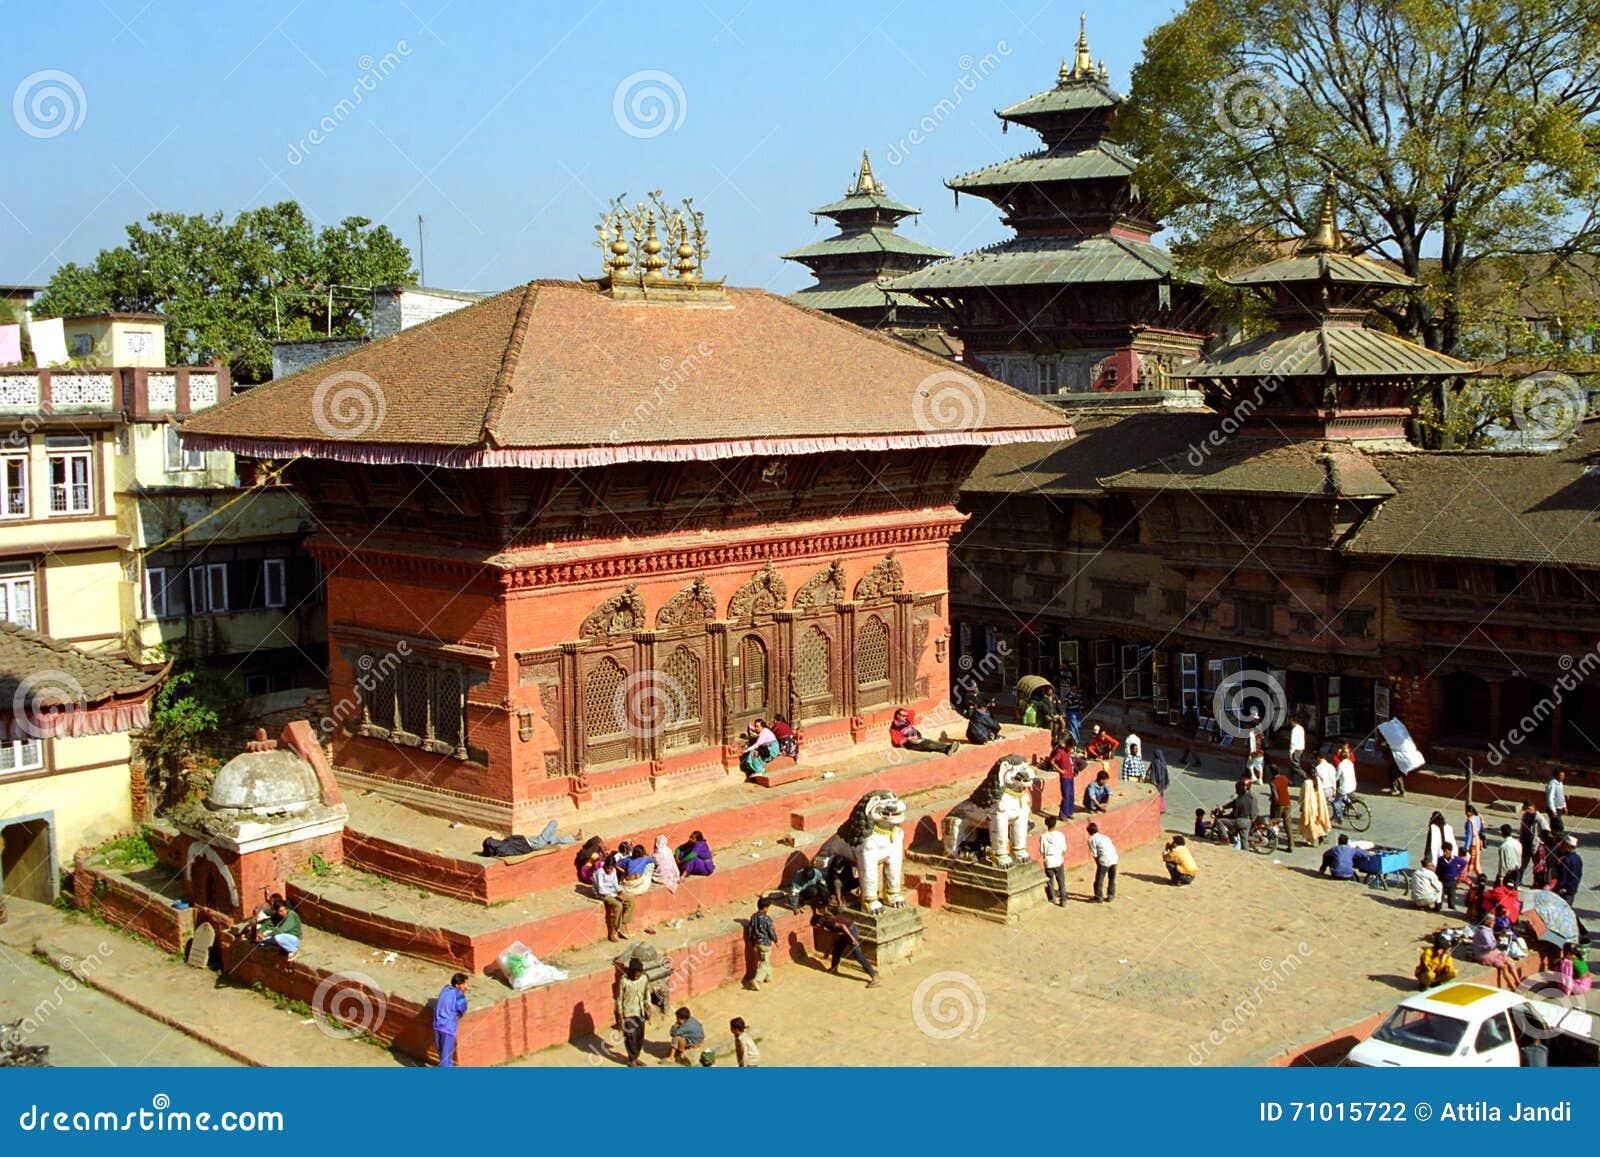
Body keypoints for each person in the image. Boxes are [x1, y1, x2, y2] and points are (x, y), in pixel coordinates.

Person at [812, 904, 880, 987]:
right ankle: (833, 968)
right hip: (845, 933)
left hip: (851, 931)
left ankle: (874, 975)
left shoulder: (828, 922)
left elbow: (842, 926)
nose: (816, 927)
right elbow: (833, 937)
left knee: (857, 955)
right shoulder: (827, 921)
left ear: (818, 923)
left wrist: (852, 938)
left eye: (816, 926)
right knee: (837, 948)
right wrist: (828, 952)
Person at [615, 959, 652, 1067]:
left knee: (640, 1037)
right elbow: (620, 998)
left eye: (638, 974)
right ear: (631, 972)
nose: (637, 976)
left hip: (640, 1011)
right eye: (635, 974)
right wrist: (620, 1015)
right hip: (628, 1012)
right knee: (630, 1037)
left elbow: (646, 993)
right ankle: (631, 1060)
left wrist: (648, 1006)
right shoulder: (624, 980)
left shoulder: (644, 979)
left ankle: (636, 1057)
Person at [1470, 914, 1521, 991]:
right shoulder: (1483, 931)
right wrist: (1499, 938)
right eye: (1492, 921)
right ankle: (1513, 987)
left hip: (1491, 951)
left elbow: (1492, 939)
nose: (1494, 922)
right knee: (1504, 967)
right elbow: (1491, 945)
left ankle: (1518, 982)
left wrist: (1500, 934)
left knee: (1510, 961)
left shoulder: (1487, 929)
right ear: (1487, 922)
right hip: (1484, 954)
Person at [594, 852, 633, 942]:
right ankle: (613, 930)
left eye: (611, 868)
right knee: (618, 906)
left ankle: (622, 924)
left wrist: (620, 892)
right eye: (608, 868)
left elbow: (615, 884)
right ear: (605, 866)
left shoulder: (613, 871)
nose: (610, 870)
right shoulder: (600, 873)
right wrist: (615, 896)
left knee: (630, 900)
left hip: (612, 892)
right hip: (603, 895)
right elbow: (601, 890)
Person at [433, 972, 469, 1067]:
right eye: (464, 984)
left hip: (437, 1025)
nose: (466, 987)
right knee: (446, 1058)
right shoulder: (459, 995)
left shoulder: (445, 990)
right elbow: (462, 1008)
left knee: (442, 1054)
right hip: (447, 1028)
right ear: (457, 985)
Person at [889, 707, 957, 755]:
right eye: (903, 716)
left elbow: (912, 712)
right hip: (909, 743)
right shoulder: (894, 728)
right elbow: (897, 741)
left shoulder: (906, 720)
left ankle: (946, 750)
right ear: (897, 715)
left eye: (906, 716)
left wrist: (904, 713)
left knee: (927, 745)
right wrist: (908, 738)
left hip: (916, 737)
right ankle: (947, 747)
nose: (906, 717)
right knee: (927, 743)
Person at [744, 896, 777, 990]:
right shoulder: (767, 918)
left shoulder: (753, 917)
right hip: (765, 943)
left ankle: (768, 977)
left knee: (765, 961)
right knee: (764, 963)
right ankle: (757, 980)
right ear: (765, 908)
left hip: (757, 943)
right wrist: (775, 940)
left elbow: (750, 931)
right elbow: (771, 931)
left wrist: (751, 941)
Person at [1048, 739, 1083, 820]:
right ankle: (1063, 814)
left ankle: (1069, 812)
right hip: (1065, 777)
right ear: (1067, 745)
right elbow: (1052, 761)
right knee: (1066, 795)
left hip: (1071, 776)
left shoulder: (1069, 752)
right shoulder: (1060, 752)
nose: (1071, 749)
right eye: (1071, 747)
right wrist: (1060, 770)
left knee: (1071, 795)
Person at [1219, 781, 1256, 850]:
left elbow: (1234, 813)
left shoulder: (1239, 800)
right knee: (1244, 840)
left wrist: (1224, 810)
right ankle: (1246, 853)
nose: (1236, 791)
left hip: (1240, 821)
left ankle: (1225, 839)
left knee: (1220, 821)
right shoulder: (1249, 797)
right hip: (1247, 822)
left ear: (1239, 790)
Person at [1040, 815, 1068, 905]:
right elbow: (1064, 848)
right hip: (1058, 859)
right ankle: (1063, 900)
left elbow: (1042, 850)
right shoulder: (1060, 835)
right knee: (1061, 881)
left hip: (1048, 860)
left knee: (1050, 882)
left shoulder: (1043, 836)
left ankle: (1052, 898)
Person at [1086, 822, 1118, 902]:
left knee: (1099, 880)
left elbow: (1094, 854)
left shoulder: (1091, 840)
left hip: (1104, 860)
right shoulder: (1105, 837)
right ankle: (1111, 895)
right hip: (1114, 859)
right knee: (1112, 878)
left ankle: (1098, 897)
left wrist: (1098, 863)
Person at [1298, 771, 1331, 846]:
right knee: (1318, 821)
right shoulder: (1318, 780)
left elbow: (1303, 794)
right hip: (1319, 803)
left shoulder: (1307, 783)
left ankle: (1311, 841)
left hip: (1310, 804)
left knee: (1311, 823)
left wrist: (1301, 804)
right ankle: (1321, 834)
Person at [1554, 835, 1584, 905]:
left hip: (1564, 891)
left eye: (1563, 845)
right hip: (1572, 890)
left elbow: (1563, 876)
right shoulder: (1578, 858)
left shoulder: (1566, 860)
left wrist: (1559, 888)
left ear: (1567, 846)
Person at [1268, 770, 1295, 850]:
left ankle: (1272, 841)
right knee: (1288, 825)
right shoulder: (1284, 778)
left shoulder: (1273, 782)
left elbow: (1275, 796)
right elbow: (1290, 783)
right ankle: (1291, 845)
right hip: (1287, 803)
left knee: (1274, 823)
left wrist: (1274, 804)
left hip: (1279, 805)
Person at [1435, 844, 1467, 910]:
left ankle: (1451, 906)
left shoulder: (1456, 859)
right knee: (1440, 894)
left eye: (1446, 851)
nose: (1444, 853)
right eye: (1443, 851)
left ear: (1450, 851)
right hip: (1442, 880)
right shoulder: (1440, 859)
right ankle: (1438, 907)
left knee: (1452, 894)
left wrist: (1458, 871)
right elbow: (1437, 870)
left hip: (1451, 880)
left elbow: (1464, 863)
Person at [1519, 801, 1550, 868]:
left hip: (1535, 846)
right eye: (1526, 809)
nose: (1527, 810)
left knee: (1537, 866)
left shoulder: (1539, 818)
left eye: (1529, 809)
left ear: (1533, 807)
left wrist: (1541, 841)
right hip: (1525, 844)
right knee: (1521, 866)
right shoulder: (1525, 816)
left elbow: (1546, 830)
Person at [1333, 745, 1357, 822]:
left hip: (1344, 787)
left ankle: (1340, 818)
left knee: (1336, 802)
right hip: (1352, 785)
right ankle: (1350, 804)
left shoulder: (1341, 765)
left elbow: (1336, 777)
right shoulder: (1350, 763)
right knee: (1345, 796)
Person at [1497, 823, 1524, 887]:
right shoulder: (1518, 843)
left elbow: (1503, 864)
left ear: (1502, 833)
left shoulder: (1503, 846)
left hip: (1508, 874)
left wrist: (1501, 878)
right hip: (1516, 872)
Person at [1462, 804, 1485, 876]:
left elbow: (1469, 835)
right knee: (1476, 861)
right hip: (1478, 840)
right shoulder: (1478, 816)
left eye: (1466, 811)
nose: (1465, 813)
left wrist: (1466, 847)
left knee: (1470, 861)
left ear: (1470, 812)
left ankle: (1463, 875)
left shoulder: (1470, 821)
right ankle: (1480, 876)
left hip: (1473, 842)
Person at [1062, 680, 1084, 746]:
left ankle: (1075, 739)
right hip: (1071, 712)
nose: (1074, 688)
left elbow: (1080, 703)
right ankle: (1076, 740)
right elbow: (1066, 702)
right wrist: (1071, 698)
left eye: (1075, 687)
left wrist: (1082, 711)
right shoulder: (1068, 694)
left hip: (1077, 712)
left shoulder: (1079, 694)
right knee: (1073, 727)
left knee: (1077, 727)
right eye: (1073, 687)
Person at [1149, 748, 1171, 814]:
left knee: (1156, 795)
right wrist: (1166, 781)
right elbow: (1166, 773)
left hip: (1157, 782)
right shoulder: (1163, 762)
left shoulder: (1154, 761)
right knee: (1161, 795)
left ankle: (1156, 808)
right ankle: (1162, 808)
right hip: (1163, 782)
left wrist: (1152, 780)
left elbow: (1153, 772)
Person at [1546, 770, 1568, 835]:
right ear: (1556, 776)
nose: (1563, 777)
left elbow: (1561, 795)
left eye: (1563, 775)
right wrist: (1553, 810)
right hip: (1554, 809)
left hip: (1559, 808)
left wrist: (1564, 806)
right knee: (1560, 825)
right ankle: (1557, 837)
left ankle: (1553, 837)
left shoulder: (1560, 783)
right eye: (1561, 775)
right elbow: (1550, 798)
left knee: (1554, 825)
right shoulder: (1552, 784)